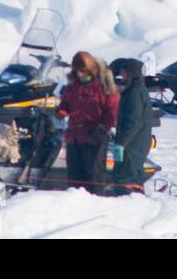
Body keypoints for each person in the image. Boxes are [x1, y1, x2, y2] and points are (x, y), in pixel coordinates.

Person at [58, 51, 118, 194]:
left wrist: (102, 129)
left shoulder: (104, 87)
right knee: (74, 177)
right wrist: (61, 111)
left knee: (94, 176)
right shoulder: (72, 87)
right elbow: (65, 104)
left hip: (94, 137)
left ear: (91, 70)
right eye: (77, 71)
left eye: (82, 71)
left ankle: (95, 205)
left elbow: (113, 112)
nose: (79, 74)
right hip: (73, 137)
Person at [109, 58, 153, 195]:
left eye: (124, 71)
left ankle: (131, 204)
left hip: (133, 144)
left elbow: (134, 122)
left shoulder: (136, 92)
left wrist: (121, 143)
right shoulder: (132, 90)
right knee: (122, 174)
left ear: (131, 73)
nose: (121, 74)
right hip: (130, 142)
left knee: (127, 177)